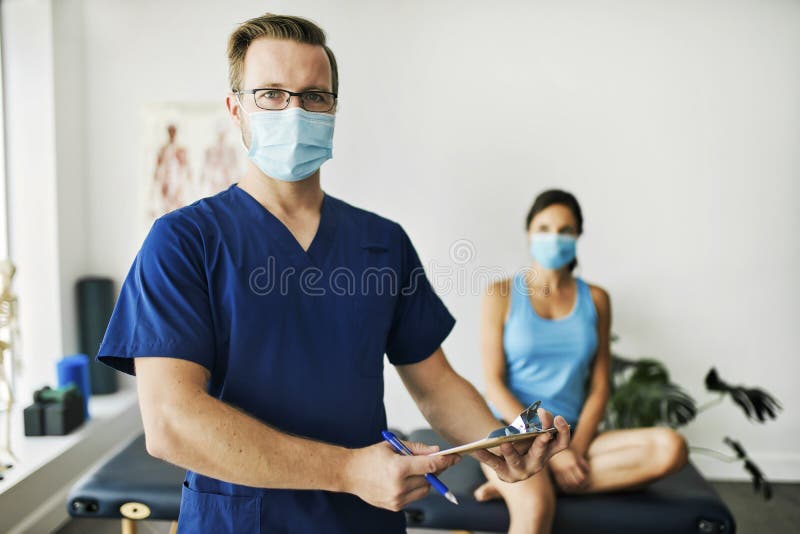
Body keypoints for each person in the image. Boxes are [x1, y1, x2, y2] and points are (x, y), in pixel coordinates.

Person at [96, 14, 570, 533]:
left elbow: (435, 385)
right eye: (271, 95)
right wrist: (347, 471)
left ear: (333, 110)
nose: (295, 110)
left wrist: (499, 447)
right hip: (240, 521)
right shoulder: (184, 242)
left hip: (363, 522)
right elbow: (171, 424)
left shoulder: (382, 243)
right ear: (236, 111)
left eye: (314, 96)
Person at [474, 189, 688, 534]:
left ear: (577, 237)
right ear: (529, 232)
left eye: (565, 230)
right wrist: (550, 449)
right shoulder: (500, 294)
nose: (553, 238)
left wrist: (569, 448)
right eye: (544, 228)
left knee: (670, 448)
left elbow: (600, 385)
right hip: (514, 435)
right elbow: (494, 383)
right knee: (535, 512)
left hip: (574, 437)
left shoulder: (598, 300)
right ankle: (529, 485)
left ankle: (515, 485)